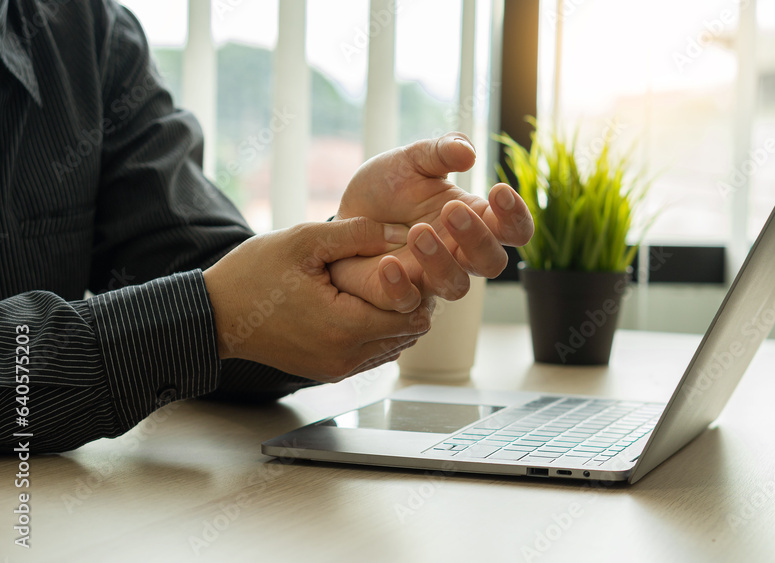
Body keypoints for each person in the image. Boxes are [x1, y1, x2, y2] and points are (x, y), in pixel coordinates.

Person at [0, 0, 534, 453]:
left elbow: (198, 270)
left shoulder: (84, 30)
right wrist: (212, 317)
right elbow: (211, 306)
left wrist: (338, 259)